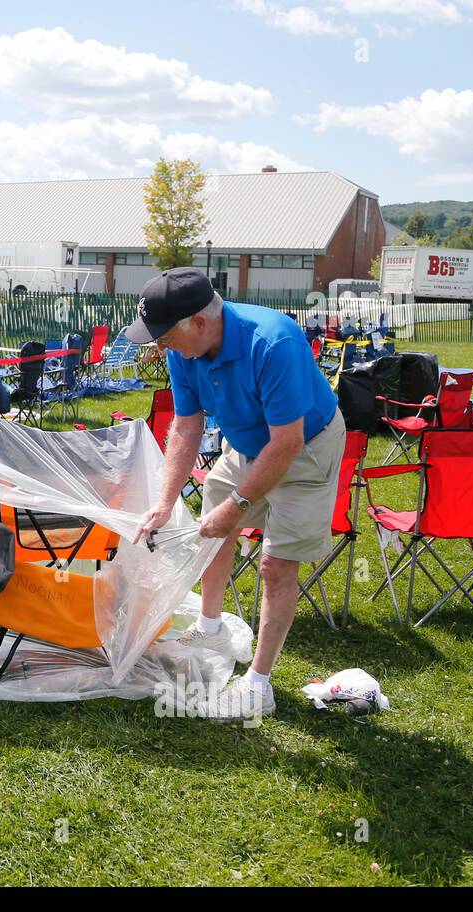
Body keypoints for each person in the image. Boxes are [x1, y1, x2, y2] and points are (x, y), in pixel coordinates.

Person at [129, 268, 345, 722]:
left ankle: (258, 686)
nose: (159, 347)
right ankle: (211, 630)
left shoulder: (273, 343)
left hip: (304, 446)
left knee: (275, 565)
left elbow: (286, 444)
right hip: (247, 443)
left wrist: (237, 507)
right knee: (212, 533)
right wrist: (165, 502)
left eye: (164, 336)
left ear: (199, 323)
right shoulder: (182, 349)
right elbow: (187, 426)